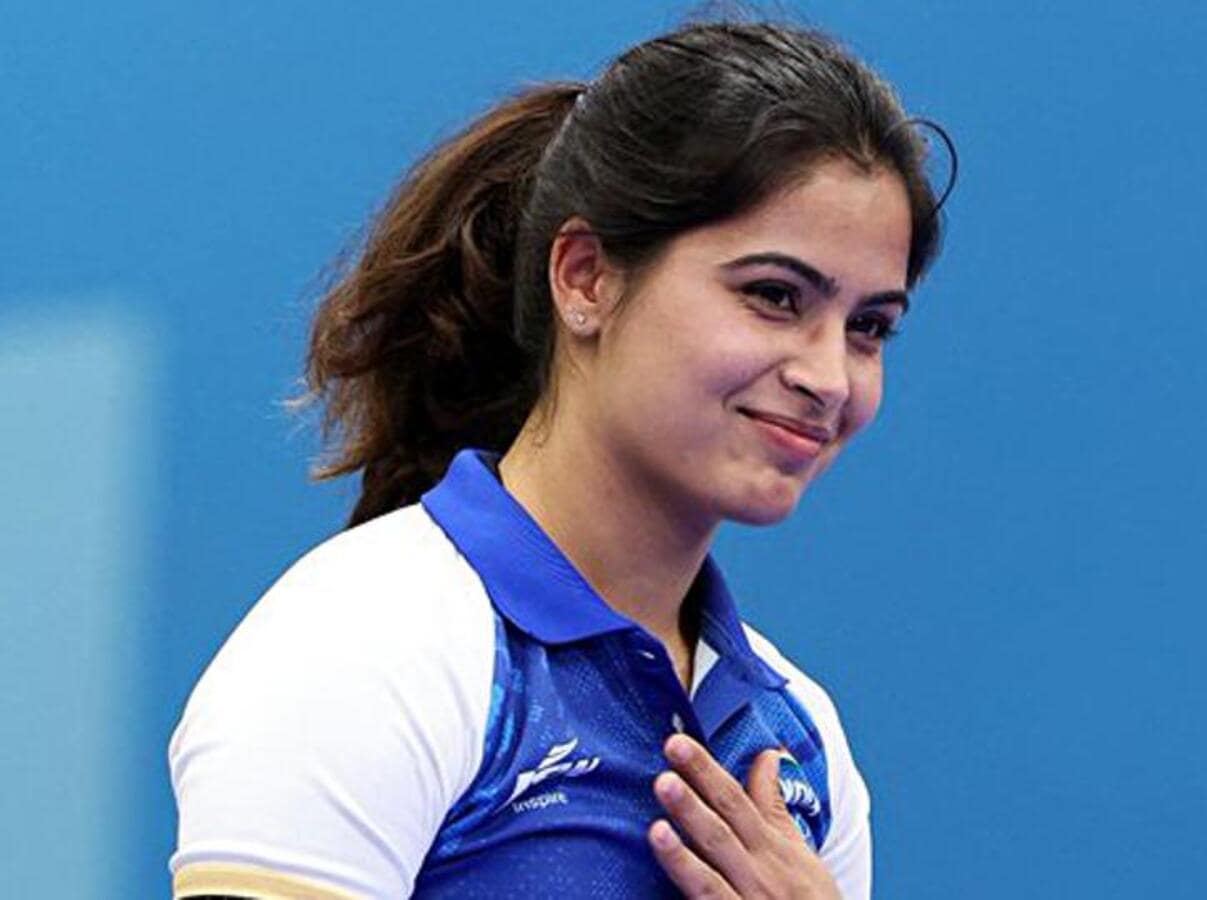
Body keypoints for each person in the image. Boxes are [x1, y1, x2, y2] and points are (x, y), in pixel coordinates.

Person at [167, 17, 950, 899]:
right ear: (584, 278)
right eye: (772, 296)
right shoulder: (363, 645)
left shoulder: (802, 742)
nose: (827, 376)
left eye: (869, 328)